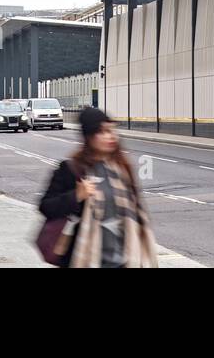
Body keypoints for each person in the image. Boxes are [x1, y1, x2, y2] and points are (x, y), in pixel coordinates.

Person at [38, 107, 159, 268]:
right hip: (84, 259)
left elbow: (137, 216)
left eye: (112, 130)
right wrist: (76, 196)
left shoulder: (122, 169)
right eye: (102, 132)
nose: (111, 136)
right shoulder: (72, 169)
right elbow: (46, 206)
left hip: (124, 260)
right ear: (89, 136)